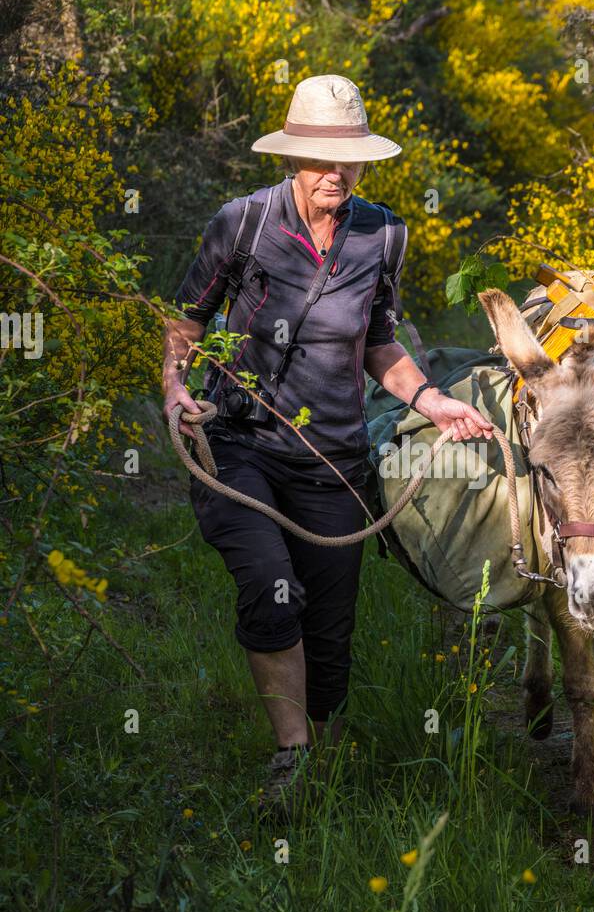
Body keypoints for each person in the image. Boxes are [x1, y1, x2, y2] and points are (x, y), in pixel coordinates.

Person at [162, 74, 492, 807]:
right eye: (319, 157)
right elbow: (186, 320)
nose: (334, 172)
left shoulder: (383, 234)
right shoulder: (241, 224)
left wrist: (432, 399)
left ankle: (326, 771)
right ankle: (291, 759)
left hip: (334, 459)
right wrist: (175, 386)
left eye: (348, 159)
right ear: (291, 158)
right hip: (240, 443)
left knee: (331, 638)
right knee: (270, 591)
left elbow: (379, 342)